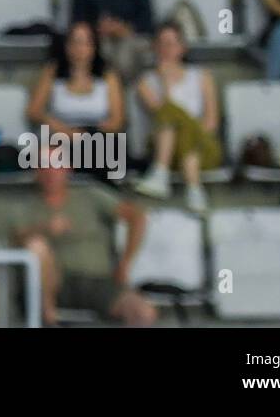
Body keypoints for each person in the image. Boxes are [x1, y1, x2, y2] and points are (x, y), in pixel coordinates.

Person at [13, 162, 156, 327]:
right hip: (57, 286)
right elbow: (16, 239)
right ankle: (50, 320)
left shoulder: (90, 195)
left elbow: (137, 216)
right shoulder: (26, 205)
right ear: (36, 172)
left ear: (68, 169)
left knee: (143, 312)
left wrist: (125, 263)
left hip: (99, 282)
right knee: (36, 246)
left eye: (56, 166)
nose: (50, 173)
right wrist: (44, 228)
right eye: (44, 166)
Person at [133, 23, 223, 213]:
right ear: (155, 47)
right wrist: (165, 82)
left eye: (172, 44)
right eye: (162, 44)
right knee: (169, 112)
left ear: (183, 48)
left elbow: (211, 121)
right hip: (165, 149)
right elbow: (161, 114)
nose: (166, 49)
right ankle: (194, 190)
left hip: (202, 145)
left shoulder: (201, 76)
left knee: (179, 122)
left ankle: (160, 174)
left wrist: (190, 134)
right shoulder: (144, 82)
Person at [27, 20, 125, 139]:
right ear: (66, 46)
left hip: (98, 139)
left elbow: (117, 122)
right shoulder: (53, 72)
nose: (79, 49)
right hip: (61, 138)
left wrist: (88, 134)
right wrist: (61, 129)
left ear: (94, 46)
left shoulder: (108, 76)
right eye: (75, 42)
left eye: (86, 43)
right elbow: (34, 111)